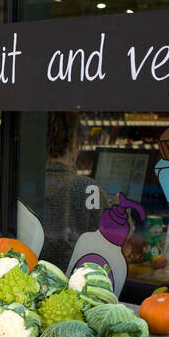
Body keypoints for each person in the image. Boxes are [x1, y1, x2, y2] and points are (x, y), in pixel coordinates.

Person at [41, 112, 102, 272]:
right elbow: (111, 238)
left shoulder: (23, 183)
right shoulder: (88, 188)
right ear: (75, 145)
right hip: (76, 281)